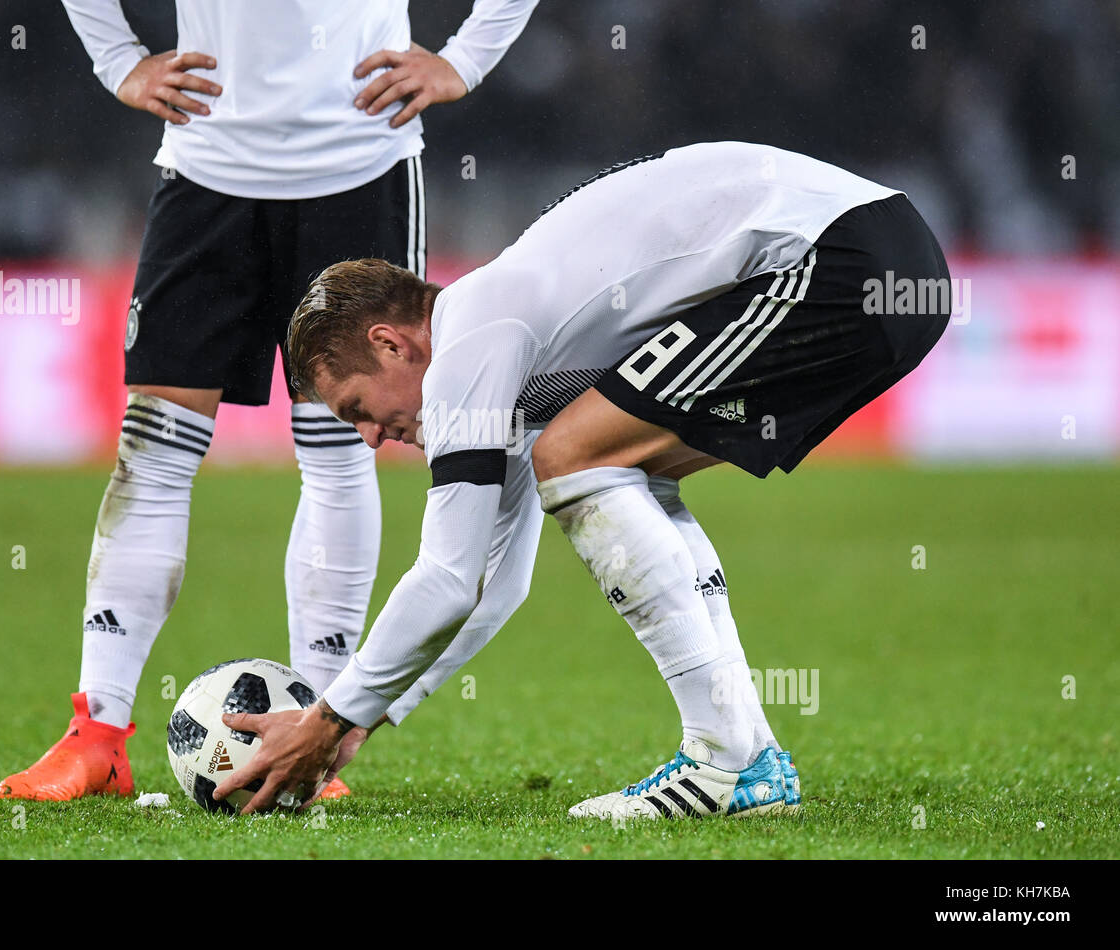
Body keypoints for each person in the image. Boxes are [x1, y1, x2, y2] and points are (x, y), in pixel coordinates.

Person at [214, 141, 952, 819]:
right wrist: (364, 719)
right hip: (891, 258)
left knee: (577, 455)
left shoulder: (473, 334)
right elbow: (494, 583)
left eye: (359, 410)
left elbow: (447, 575)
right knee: (622, 467)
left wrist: (329, 716)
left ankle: (724, 759)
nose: (376, 437)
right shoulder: (511, 351)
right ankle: (750, 761)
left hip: (842, 256)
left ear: (389, 342)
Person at [0, 0, 538, 802]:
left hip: (360, 159)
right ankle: (98, 736)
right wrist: (119, 59)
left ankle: (312, 735)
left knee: (337, 451)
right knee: (152, 449)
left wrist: (469, 56)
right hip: (209, 160)